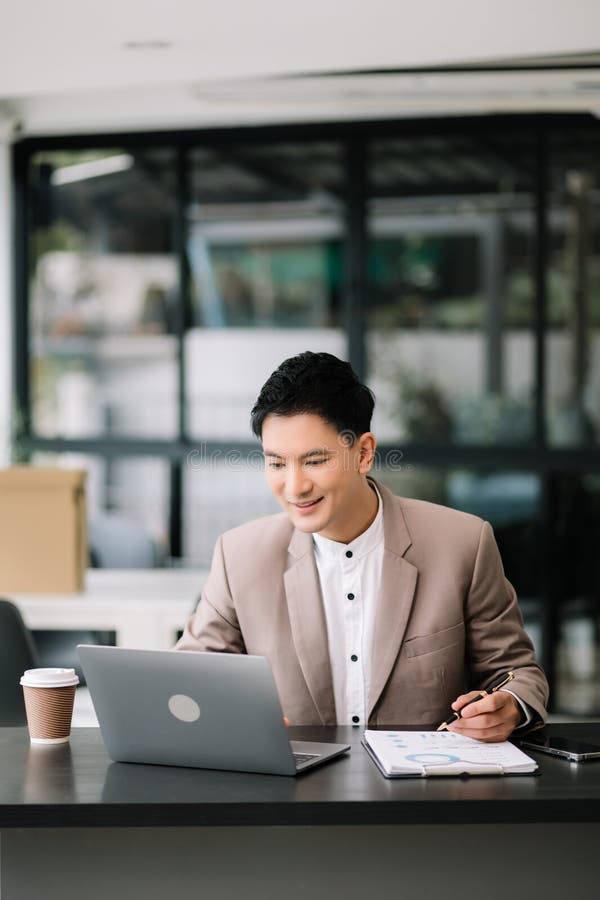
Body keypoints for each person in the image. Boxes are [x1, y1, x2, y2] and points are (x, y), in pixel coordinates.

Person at [177, 352, 548, 739]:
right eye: (276, 464)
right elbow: (190, 680)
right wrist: (231, 718)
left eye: (314, 461)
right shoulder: (239, 556)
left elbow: (517, 673)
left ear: (364, 453)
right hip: (293, 793)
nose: (294, 486)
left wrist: (510, 705)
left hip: (423, 792)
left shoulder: (463, 544)